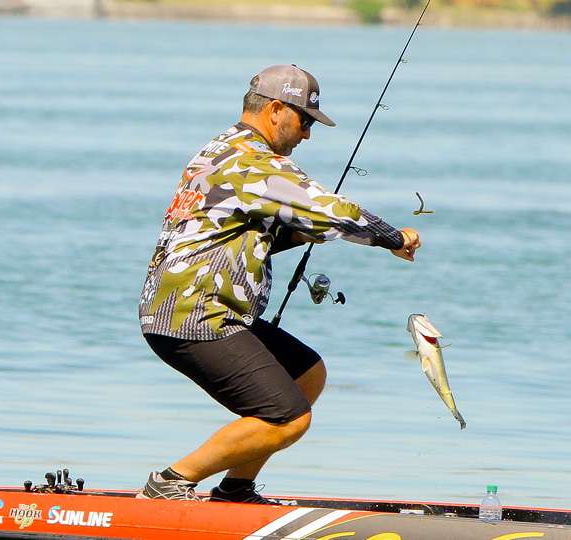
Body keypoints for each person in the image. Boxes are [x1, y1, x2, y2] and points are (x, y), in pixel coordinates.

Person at [136, 64, 421, 503]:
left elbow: (240, 232)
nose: (307, 135)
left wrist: (302, 232)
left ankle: (236, 488)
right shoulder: (253, 161)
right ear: (274, 110)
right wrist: (391, 237)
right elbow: (333, 210)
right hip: (197, 315)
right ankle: (170, 483)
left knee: (307, 375)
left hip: (195, 309)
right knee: (287, 417)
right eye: (305, 121)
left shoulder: (220, 149)